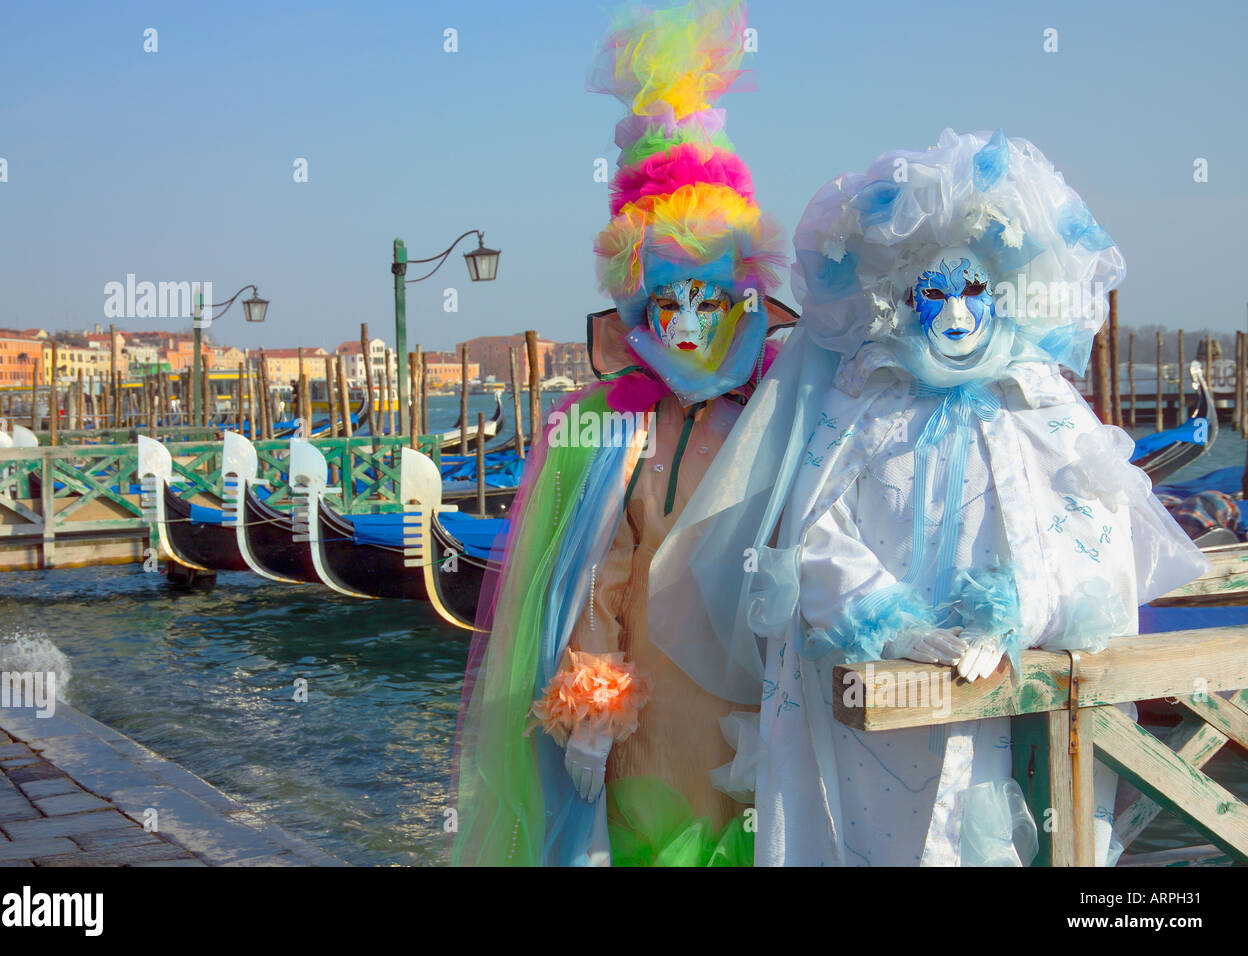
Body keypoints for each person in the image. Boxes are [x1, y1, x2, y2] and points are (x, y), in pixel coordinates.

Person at [648, 128, 1209, 866]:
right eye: (934, 293)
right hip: (869, 714)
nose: (955, 314)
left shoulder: (1036, 402)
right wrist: (891, 624)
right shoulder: (864, 403)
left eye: (971, 291)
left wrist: (1015, 611)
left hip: (1009, 708)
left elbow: (1097, 540)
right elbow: (810, 533)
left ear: (1000, 294)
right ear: (904, 298)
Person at [450, 0, 790, 867]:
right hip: (654, 725)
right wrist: (596, 708)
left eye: (707, 299)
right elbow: (600, 573)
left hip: (761, 711)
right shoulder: (617, 434)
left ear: (743, 298)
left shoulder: (777, 415)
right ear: (640, 308)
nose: (689, 323)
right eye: (668, 302)